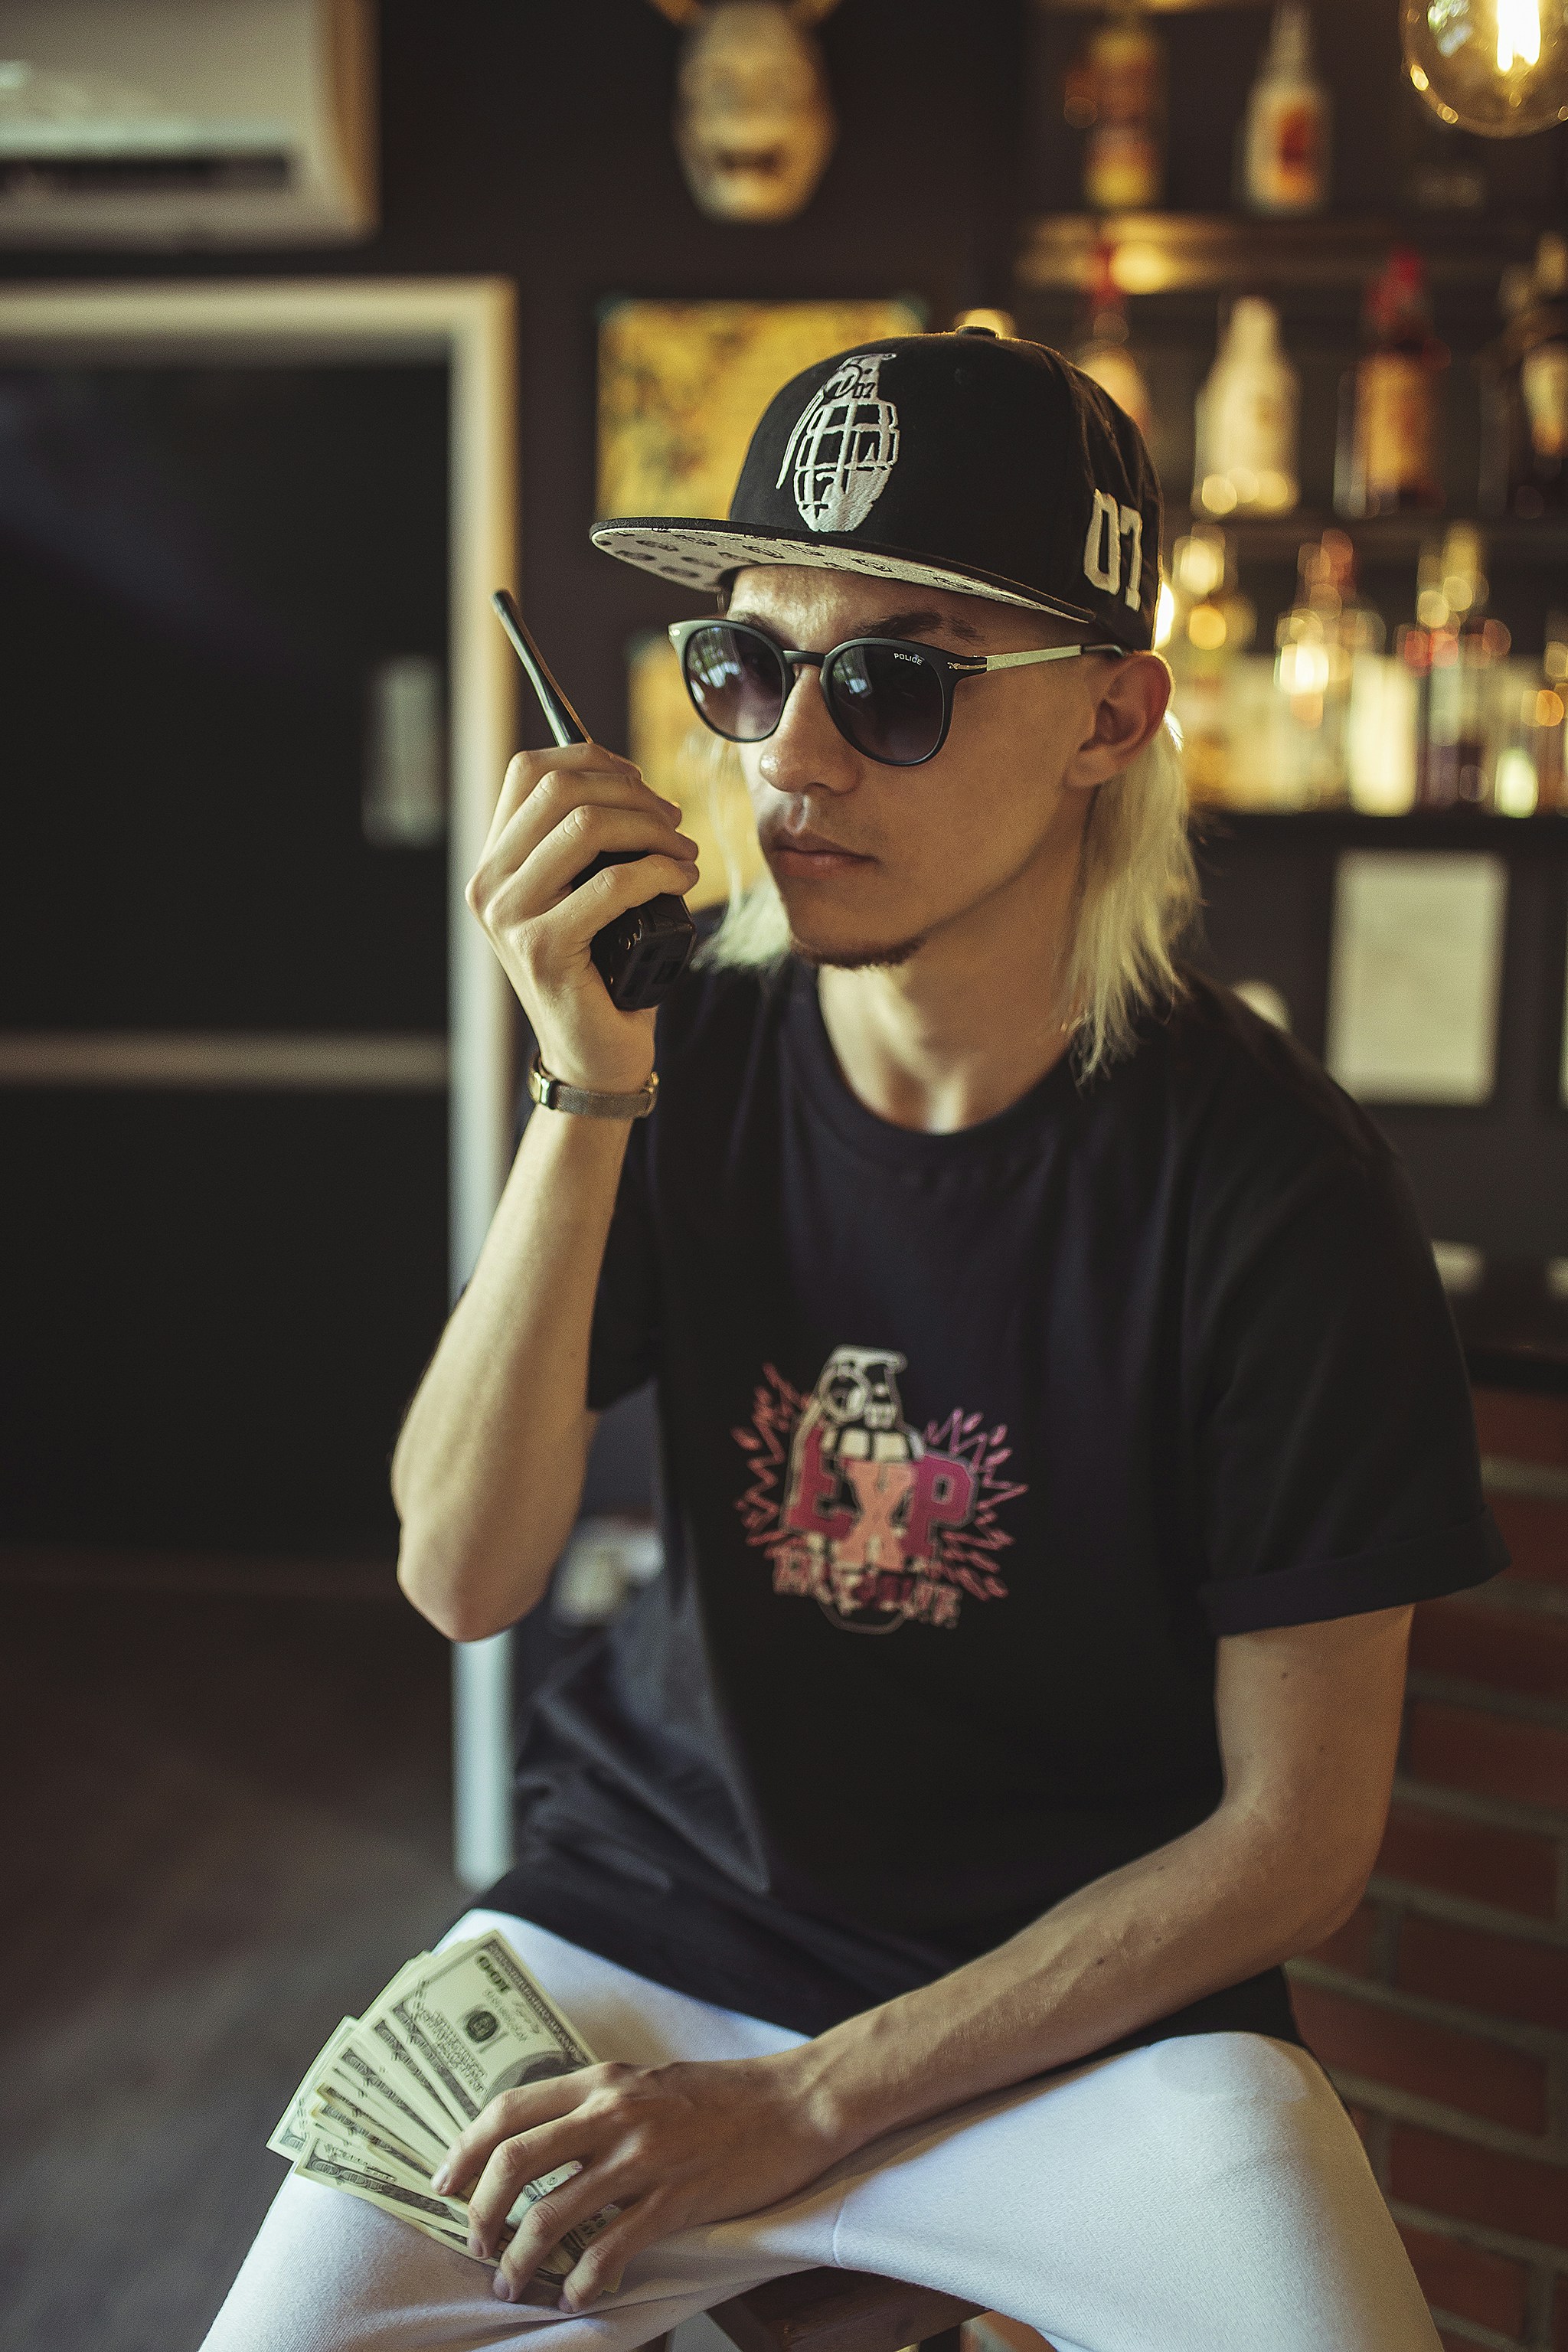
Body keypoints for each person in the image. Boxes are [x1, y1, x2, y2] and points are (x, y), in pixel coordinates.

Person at [202, 331, 1505, 2352]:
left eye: (896, 682)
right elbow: (460, 1575)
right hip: (653, 1919)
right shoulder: (681, 1055)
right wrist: (587, 1087)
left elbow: (1295, 1846)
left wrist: (810, 2106)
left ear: (1110, 714)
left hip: (1074, 2005)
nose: (791, 759)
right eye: (749, 666)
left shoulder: (1274, 1187)